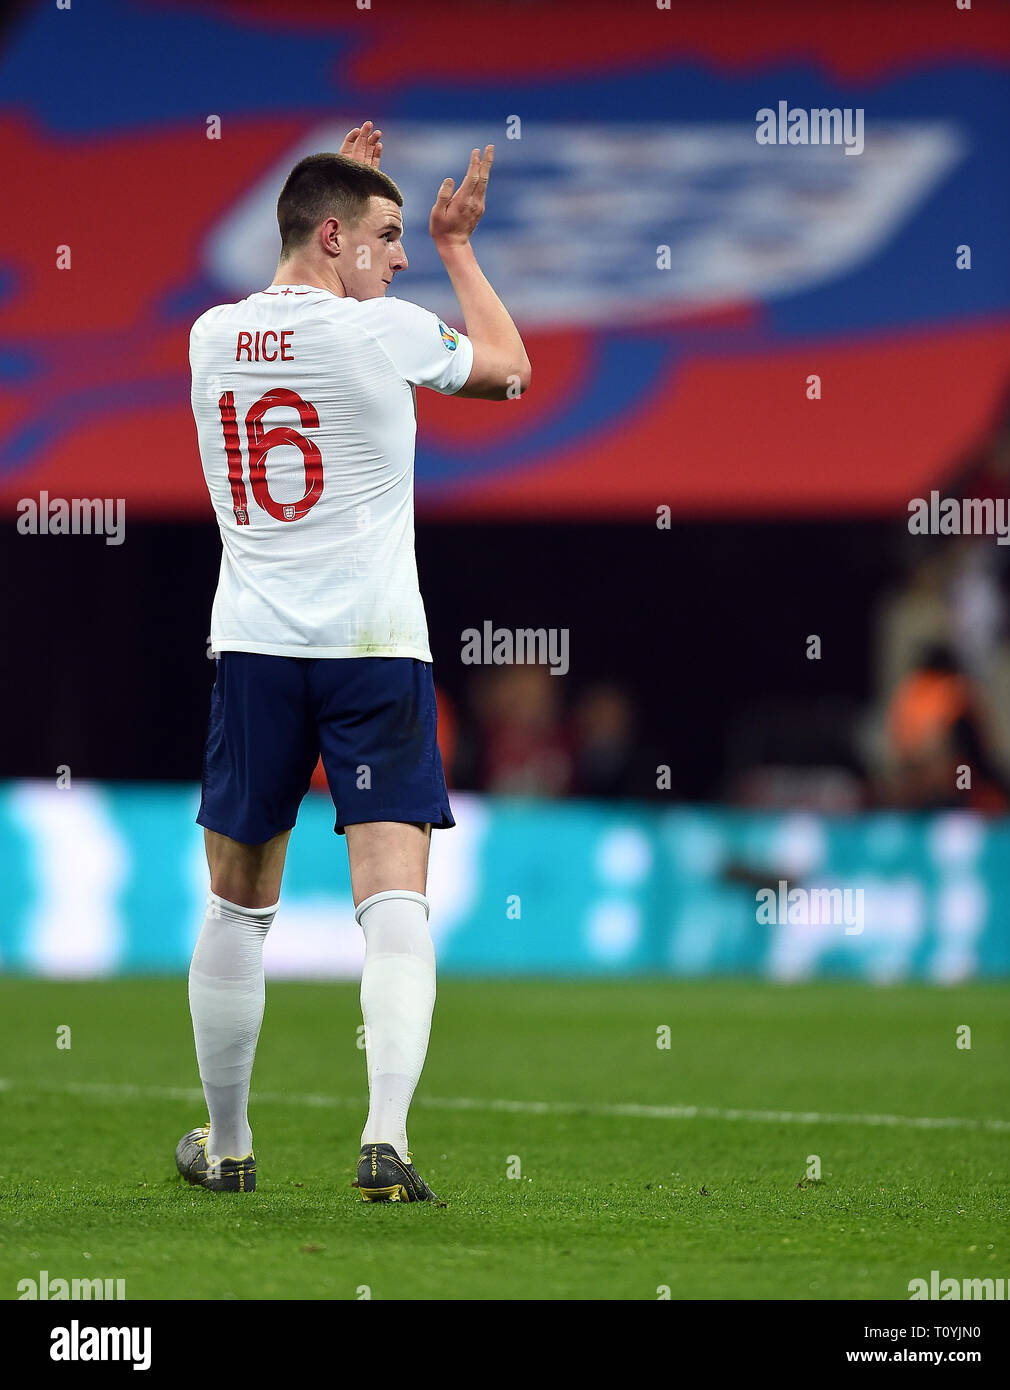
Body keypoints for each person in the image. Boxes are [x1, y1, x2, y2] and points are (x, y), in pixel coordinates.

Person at [177, 122, 531, 1203]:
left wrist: (342, 186)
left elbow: (295, 313)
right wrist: (461, 247)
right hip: (374, 649)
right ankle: (385, 1138)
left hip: (256, 647)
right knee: (392, 897)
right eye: (388, 234)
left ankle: (227, 1145)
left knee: (239, 903)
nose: (403, 256)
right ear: (332, 237)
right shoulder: (386, 332)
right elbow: (510, 370)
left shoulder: (208, 335)